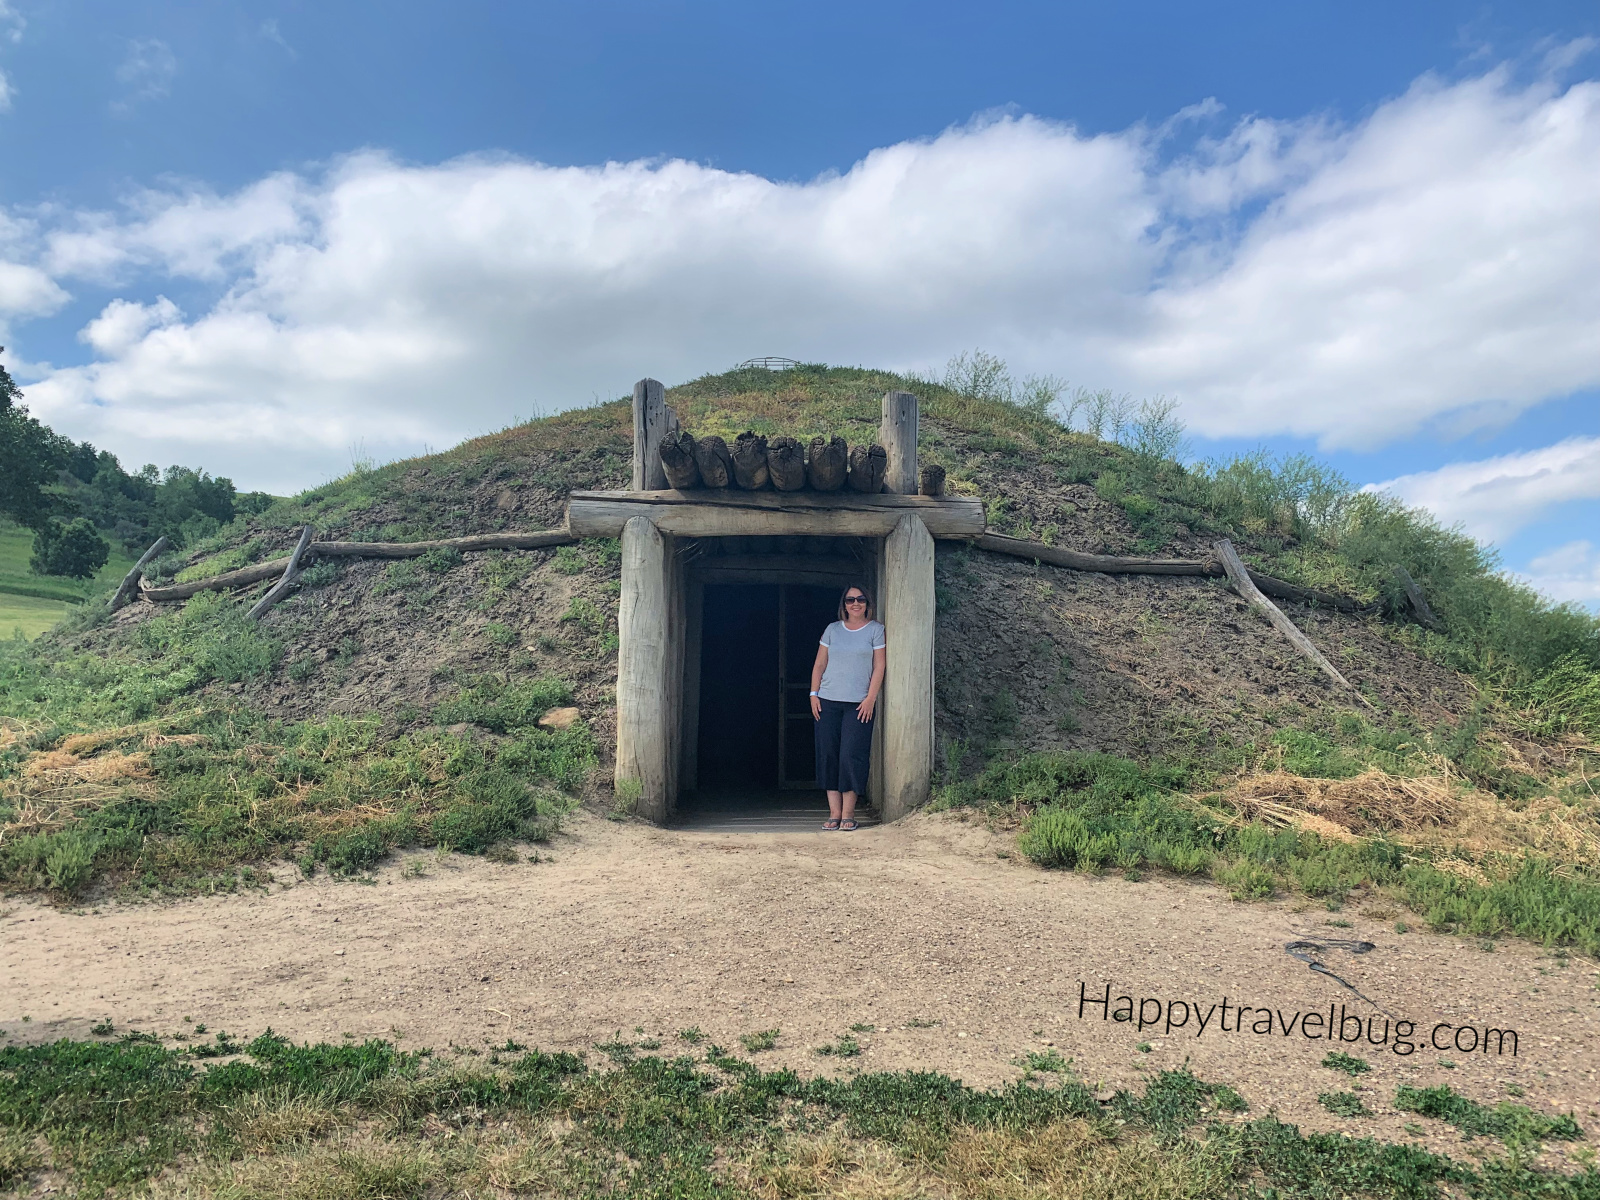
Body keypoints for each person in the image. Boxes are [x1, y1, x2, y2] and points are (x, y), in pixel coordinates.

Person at [809, 584, 886, 831]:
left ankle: (849, 814)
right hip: (828, 700)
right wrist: (814, 694)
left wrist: (870, 699)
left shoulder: (876, 630)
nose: (856, 603)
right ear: (844, 604)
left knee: (852, 755)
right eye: (850, 599)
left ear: (867, 603)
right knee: (829, 753)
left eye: (861, 599)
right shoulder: (832, 630)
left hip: (859, 704)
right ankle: (834, 813)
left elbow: (879, 667)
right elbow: (820, 664)